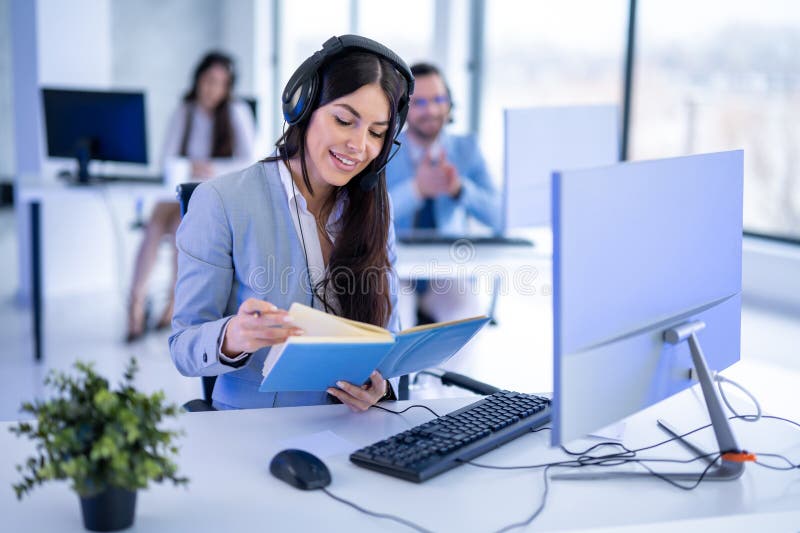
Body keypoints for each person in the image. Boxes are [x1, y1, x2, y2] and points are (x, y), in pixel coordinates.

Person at [168, 35, 414, 411]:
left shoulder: (376, 209)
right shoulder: (222, 202)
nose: (359, 145)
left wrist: (380, 384)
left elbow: (387, 332)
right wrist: (233, 335)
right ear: (303, 106)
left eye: (377, 133)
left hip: (352, 423)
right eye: (344, 120)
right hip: (256, 430)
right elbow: (184, 346)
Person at [127, 51, 255, 342]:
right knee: (154, 225)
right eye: (209, 80)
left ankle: (173, 304)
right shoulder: (184, 111)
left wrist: (209, 166)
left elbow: (250, 161)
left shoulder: (236, 112)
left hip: (213, 192)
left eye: (221, 83)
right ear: (198, 79)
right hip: (180, 186)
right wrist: (190, 166)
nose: (213, 89)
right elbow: (166, 159)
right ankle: (135, 303)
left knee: (178, 230)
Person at [385, 62, 500, 236]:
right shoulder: (385, 150)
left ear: (450, 103)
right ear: (403, 109)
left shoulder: (468, 148)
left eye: (438, 99)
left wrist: (459, 189)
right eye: (419, 102)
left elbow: (500, 216)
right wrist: (416, 189)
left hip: (455, 257)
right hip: (398, 256)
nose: (431, 110)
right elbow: (368, 219)